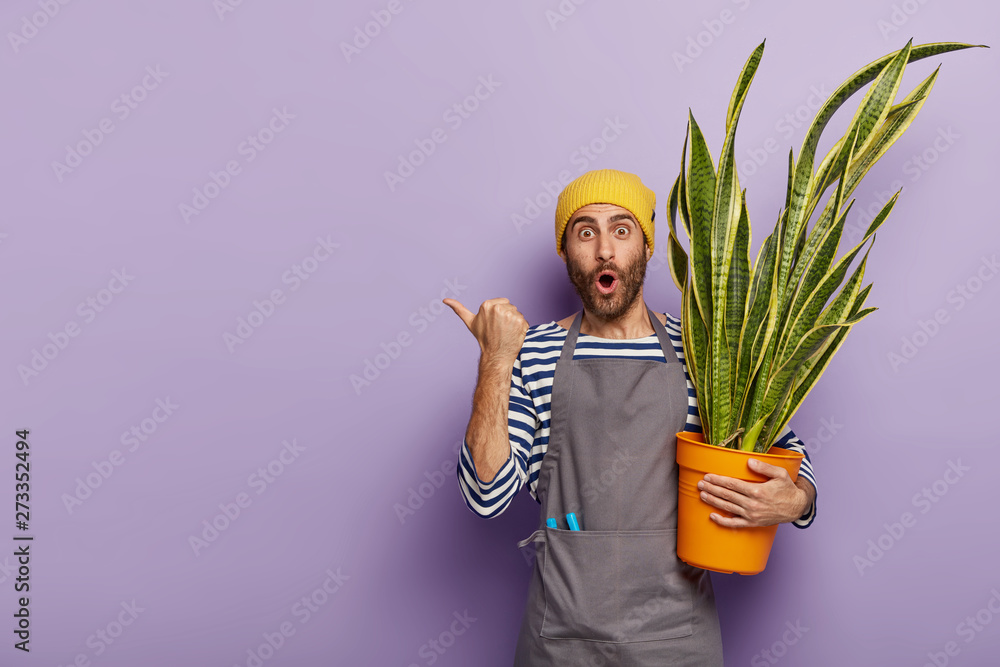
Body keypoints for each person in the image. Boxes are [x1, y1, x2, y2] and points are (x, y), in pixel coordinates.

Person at [444, 168, 817, 666]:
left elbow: (787, 451)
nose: (605, 250)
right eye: (585, 232)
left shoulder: (704, 353)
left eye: (622, 230)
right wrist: (496, 359)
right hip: (561, 646)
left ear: (646, 247)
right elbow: (485, 497)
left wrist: (796, 500)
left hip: (678, 645)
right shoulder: (531, 353)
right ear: (565, 253)